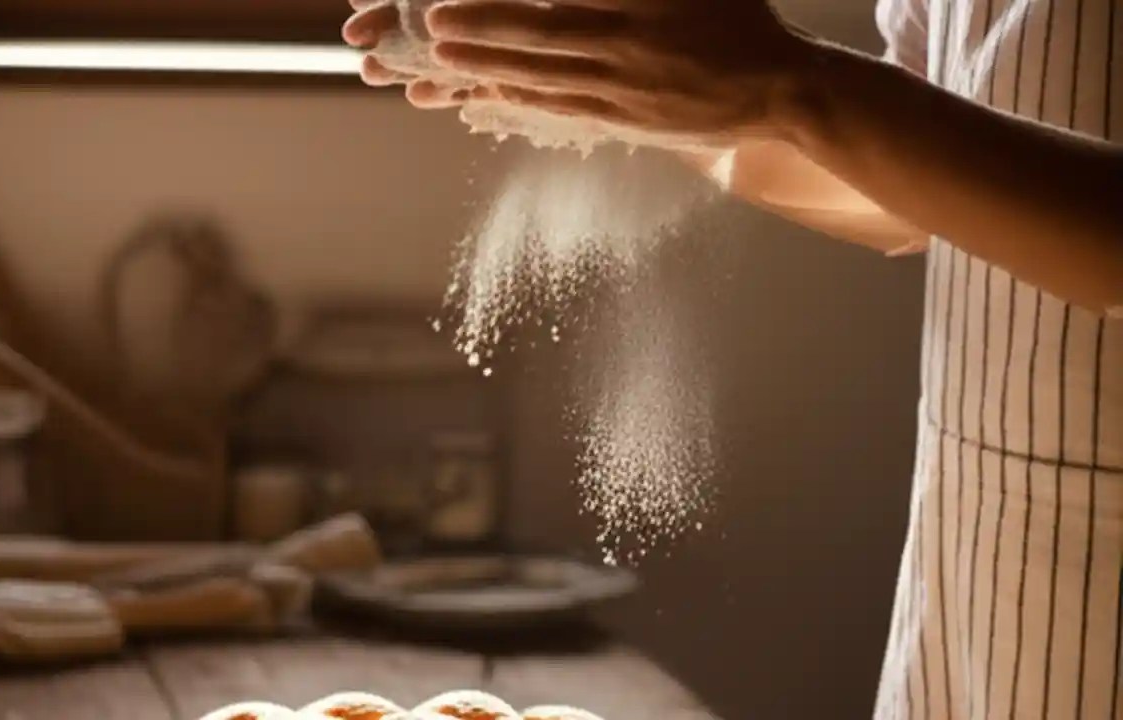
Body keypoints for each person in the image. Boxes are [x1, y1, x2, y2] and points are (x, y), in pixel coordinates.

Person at [343, 0, 1122, 717]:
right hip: (970, 574)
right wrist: (615, 82)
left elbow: (835, 110)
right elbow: (909, 181)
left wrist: (791, 88)